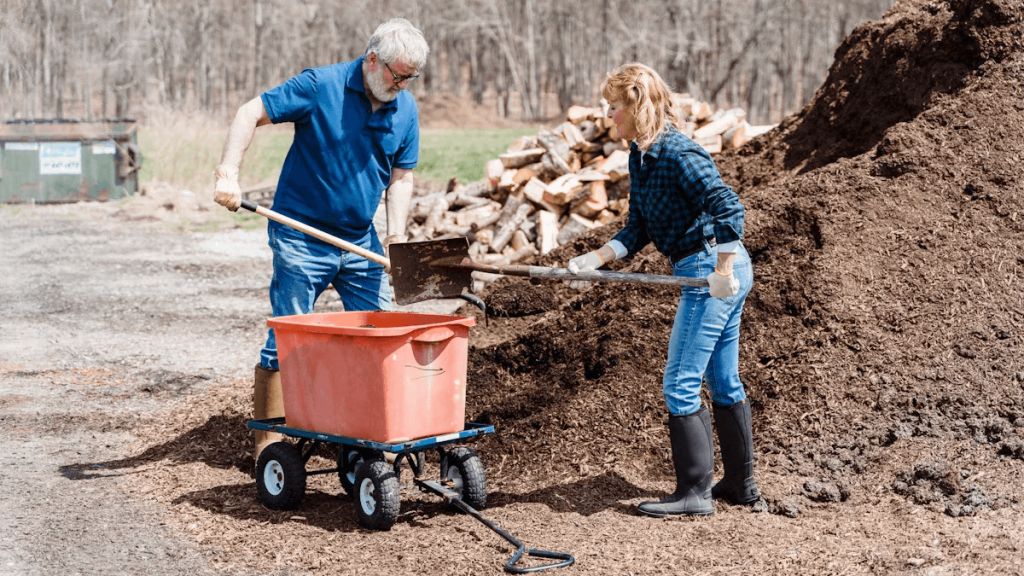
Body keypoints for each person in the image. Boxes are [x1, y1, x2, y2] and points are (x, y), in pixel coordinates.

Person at [212, 18, 429, 463]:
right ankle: (269, 447)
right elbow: (249, 112)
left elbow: (401, 178)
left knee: (381, 330)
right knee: (289, 340)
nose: (403, 85)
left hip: (358, 240)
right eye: (398, 74)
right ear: (372, 59)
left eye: (411, 78)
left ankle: (371, 433)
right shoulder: (320, 85)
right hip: (300, 236)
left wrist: (395, 236)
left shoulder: (404, 109)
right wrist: (227, 172)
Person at [567, 63, 759, 516]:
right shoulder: (642, 155)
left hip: (713, 271)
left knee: (679, 383)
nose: (608, 117)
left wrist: (723, 269)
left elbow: (729, 206)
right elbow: (637, 228)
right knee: (723, 379)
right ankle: (740, 484)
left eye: (614, 107)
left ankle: (694, 493)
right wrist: (594, 259)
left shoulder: (678, 153)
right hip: (711, 269)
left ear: (635, 105)